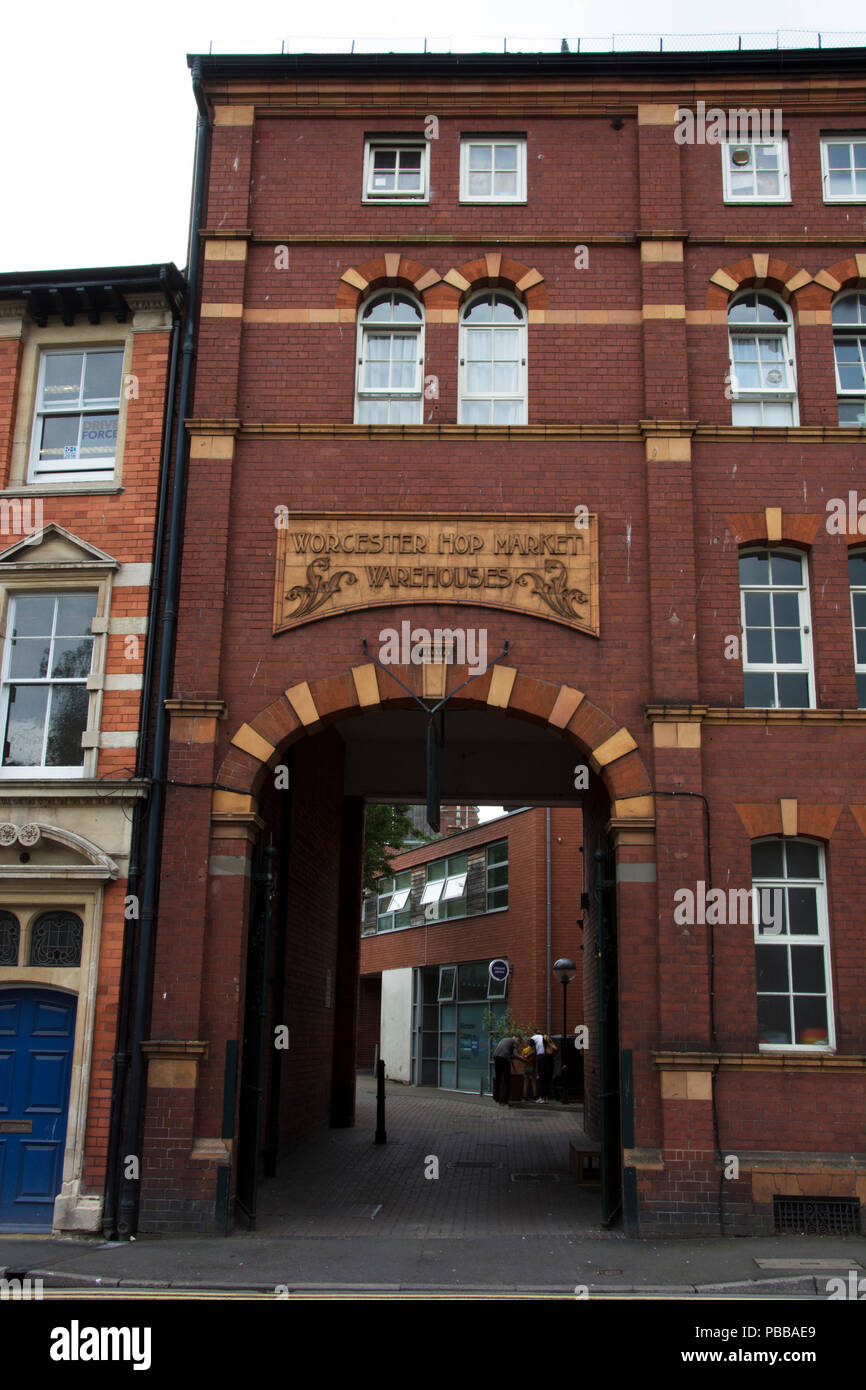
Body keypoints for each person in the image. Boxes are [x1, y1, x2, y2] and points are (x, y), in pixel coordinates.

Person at [531, 1027, 557, 1103]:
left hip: (542, 1058)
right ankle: (545, 1097)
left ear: (534, 1032)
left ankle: (542, 1097)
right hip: (549, 1058)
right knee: (547, 1078)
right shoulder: (544, 1037)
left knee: (541, 1077)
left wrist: (526, 1056)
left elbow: (530, 1047)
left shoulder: (534, 1037)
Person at [492, 1034, 520, 1105]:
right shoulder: (515, 1041)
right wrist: (522, 1058)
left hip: (496, 1057)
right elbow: (515, 1054)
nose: (518, 1042)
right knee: (507, 1080)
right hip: (504, 1058)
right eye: (519, 1040)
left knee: (498, 1078)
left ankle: (496, 1098)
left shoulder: (504, 1039)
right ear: (516, 1038)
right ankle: (505, 1100)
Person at [520, 1037, 537, 1101]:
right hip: (532, 1067)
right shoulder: (534, 1051)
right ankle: (535, 1096)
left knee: (526, 1082)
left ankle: (524, 1096)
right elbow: (536, 1059)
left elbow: (522, 1058)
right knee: (534, 1082)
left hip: (526, 1067)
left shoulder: (524, 1050)